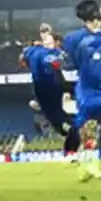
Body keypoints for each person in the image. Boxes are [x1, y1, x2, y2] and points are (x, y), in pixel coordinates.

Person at [62, 0, 101, 181]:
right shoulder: (74, 38)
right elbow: (67, 62)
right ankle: (85, 162)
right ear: (93, 14)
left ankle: (96, 159)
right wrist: (66, 89)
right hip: (86, 89)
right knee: (86, 126)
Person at [22, 24, 81, 156]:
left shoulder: (56, 53)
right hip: (44, 89)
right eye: (43, 34)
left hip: (54, 88)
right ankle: (72, 137)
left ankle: (73, 138)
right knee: (57, 121)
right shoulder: (35, 51)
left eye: (48, 35)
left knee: (59, 118)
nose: (45, 37)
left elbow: (59, 64)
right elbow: (23, 60)